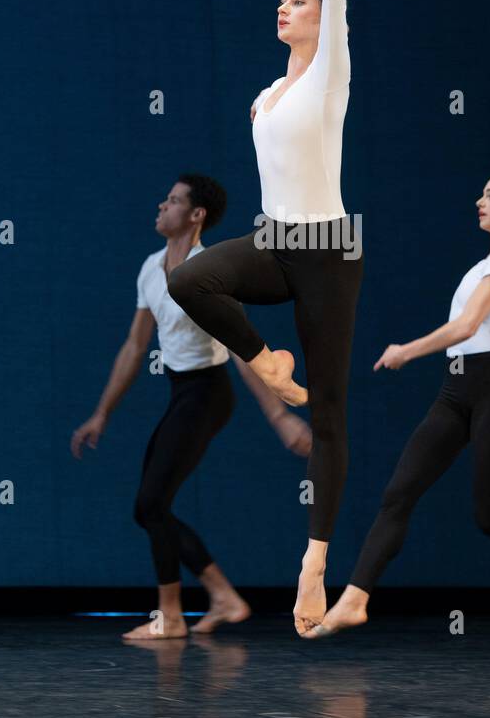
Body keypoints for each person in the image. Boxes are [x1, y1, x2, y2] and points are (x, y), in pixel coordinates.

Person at [168, 0, 388, 635]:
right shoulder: (264, 97)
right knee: (189, 279)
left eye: (296, 1)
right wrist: (260, 357)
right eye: (283, 1)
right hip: (273, 242)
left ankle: (314, 565)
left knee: (329, 413)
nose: (285, 6)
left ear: (324, 21)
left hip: (331, 253)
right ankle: (267, 362)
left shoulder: (332, 67)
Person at [305, 172, 490, 639]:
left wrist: (405, 351)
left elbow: (468, 326)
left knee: (489, 516)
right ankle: (355, 599)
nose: (480, 201)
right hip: (456, 390)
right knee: (399, 493)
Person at [71, 174, 312, 639]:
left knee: (152, 502)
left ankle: (173, 616)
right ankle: (222, 596)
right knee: (149, 508)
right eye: (165, 199)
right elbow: (133, 347)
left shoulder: (211, 270)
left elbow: (246, 351)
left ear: (196, 215)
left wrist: (280, 416)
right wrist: (102, 412)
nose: (162, 206)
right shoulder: (150, 267)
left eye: (174, 201)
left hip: (207, 393)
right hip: (182, 392)